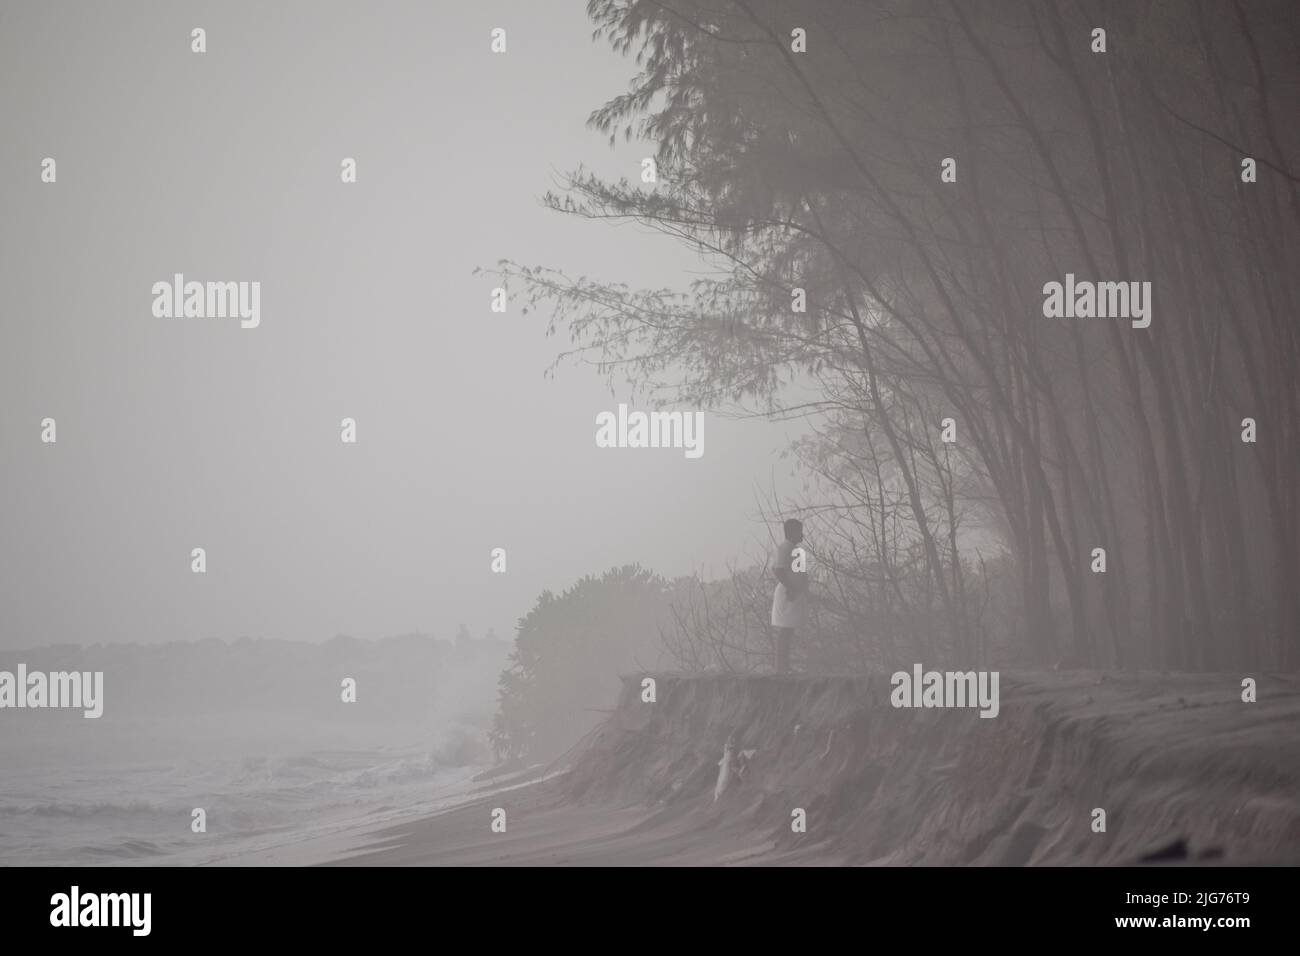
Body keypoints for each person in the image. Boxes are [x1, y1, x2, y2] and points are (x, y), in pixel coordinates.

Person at [770, 518, 808, 673]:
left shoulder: (794, 549)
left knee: (789, 629)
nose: (802, 535)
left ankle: (784, 665)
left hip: (794, 592)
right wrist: (791, 588)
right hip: (788, 593)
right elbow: (778, 570)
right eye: (799, 531)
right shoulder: (785, 548)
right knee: (785, 630)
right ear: (792, 532)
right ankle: (781, 666)